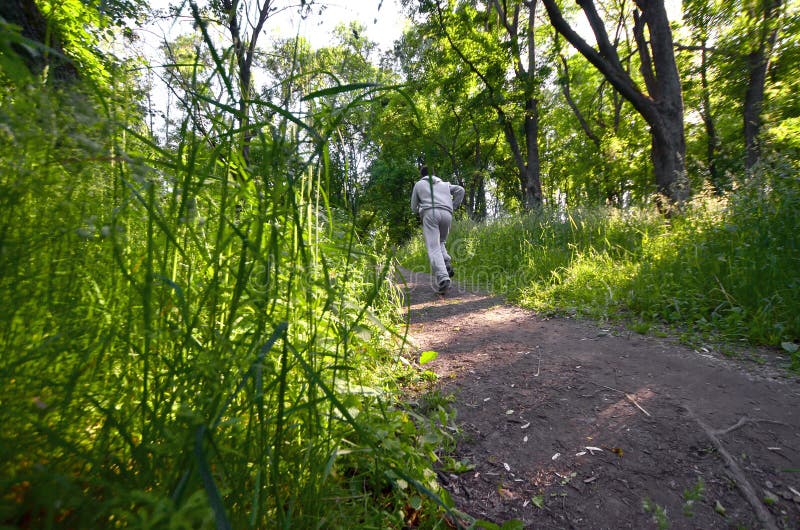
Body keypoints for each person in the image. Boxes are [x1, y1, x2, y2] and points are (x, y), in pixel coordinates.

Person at [410, 165, 465, 294]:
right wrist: (453, 206)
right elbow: (460, 190)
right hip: (447, 214)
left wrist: (421, 210)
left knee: (433, 247)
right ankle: (446, 263)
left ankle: (443, 278)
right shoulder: (445, 184)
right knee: (440, 242)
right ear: (434, 174)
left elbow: (413, 208)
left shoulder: (419, 185)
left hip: (430, 214)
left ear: (421, 175)